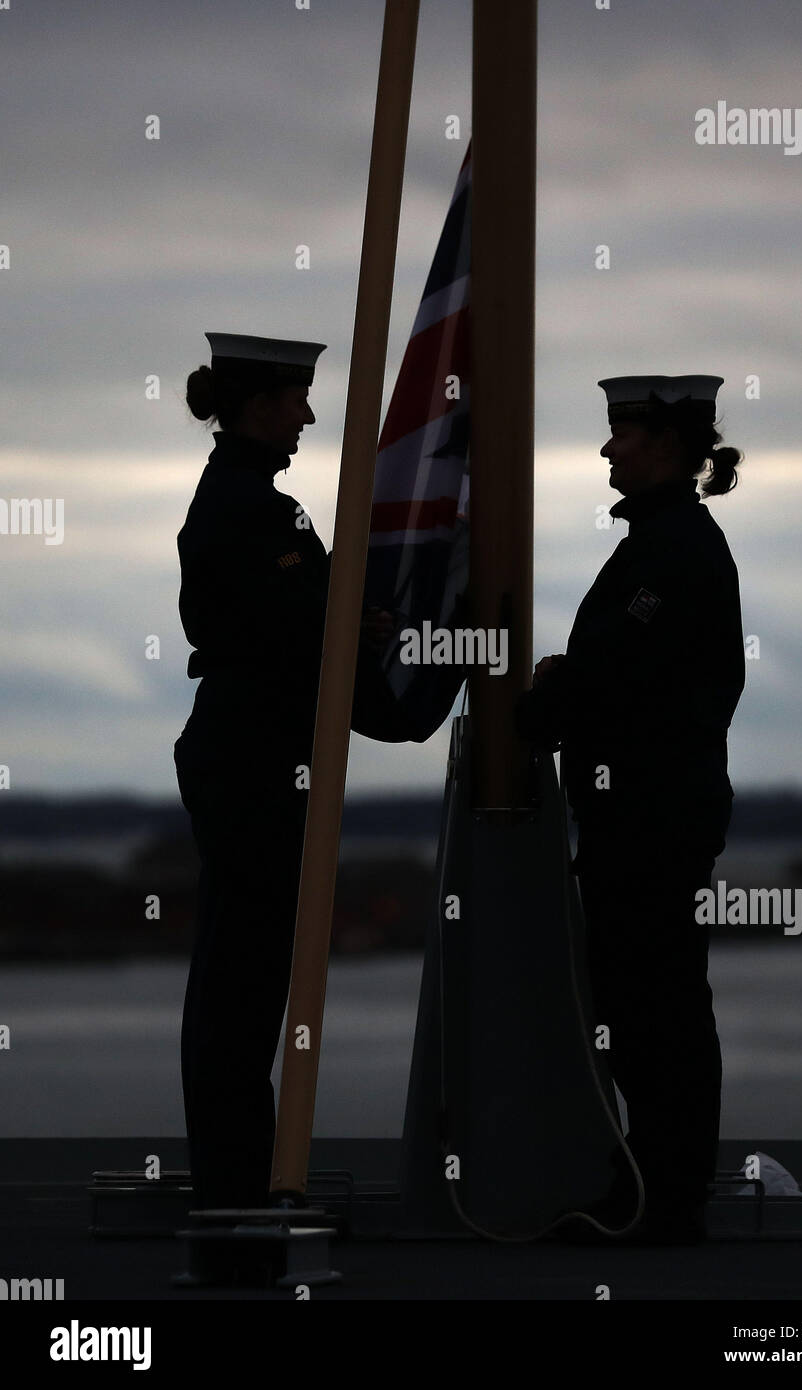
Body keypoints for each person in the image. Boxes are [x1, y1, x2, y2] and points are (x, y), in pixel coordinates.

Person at [514, 375, 746, 1244]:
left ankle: (659, 1193)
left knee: (653, 1007)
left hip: (651, 820)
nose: (608, 449)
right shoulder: (663, 542)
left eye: (625, 434)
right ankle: (654, 1183)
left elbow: (616, 672)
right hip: (643, 814)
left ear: (670, 446)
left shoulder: (673, 548)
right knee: (649, 1001)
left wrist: (544, 699)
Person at [174, 332, 393, 1211]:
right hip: (251, 759)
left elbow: (322, 617)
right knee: (241, 983)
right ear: (258, 404)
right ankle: (235, 1188)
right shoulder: (242, 507)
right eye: (295, 400)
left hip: (261, 754)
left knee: (249, 977)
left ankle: (240, 1176)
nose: (307, 416)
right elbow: (296, 630)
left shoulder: (266, 505)